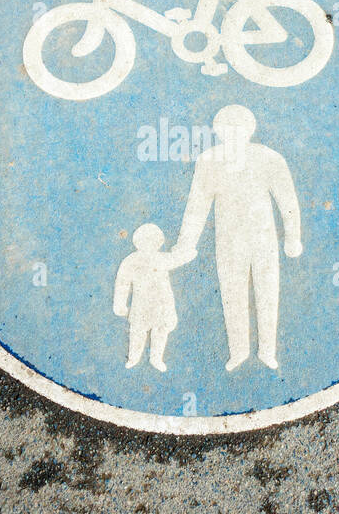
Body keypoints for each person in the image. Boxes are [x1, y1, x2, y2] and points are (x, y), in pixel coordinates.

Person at [173, 105, 301, 371]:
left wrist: (292, 237)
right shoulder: (209, 161)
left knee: (267, 291)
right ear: (218, 131)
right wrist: (186, 243)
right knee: (232, 294)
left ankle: (267, 350)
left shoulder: (268, 158)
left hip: (263, 237)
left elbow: (287, 200)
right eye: (227, 129)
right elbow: (197, 205)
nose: (233, 134)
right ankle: (239, 351)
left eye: (239, 128)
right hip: (229, 240)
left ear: (249, 130)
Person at [113, 223, 194, 372]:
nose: (149, 245)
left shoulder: (161, 258)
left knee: (160, 331)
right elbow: (122, 283)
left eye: (153, 242)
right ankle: (133, 358)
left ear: (158, 243)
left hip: (161, 304)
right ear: (137, 242)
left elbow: (177, 258)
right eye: (145, 241)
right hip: (140, 305)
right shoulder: (131, 261)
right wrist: (119, 304)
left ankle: (156, 358)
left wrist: (188, 253)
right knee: (137, 331)